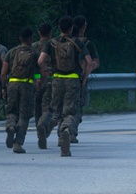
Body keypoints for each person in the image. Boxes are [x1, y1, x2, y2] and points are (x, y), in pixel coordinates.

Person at [38, 16, 91, 157]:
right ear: (71, 28)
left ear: (59, 28)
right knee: (71, 112)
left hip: (56, 80)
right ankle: (66, 131)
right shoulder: (77, 42)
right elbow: (90, 62)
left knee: (58, 110)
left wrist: (46, 69)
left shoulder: (51, 43)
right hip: (73, 81)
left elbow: (40, 60)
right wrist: (84, 78)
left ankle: (60, 135)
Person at [1, 28, 36, 154]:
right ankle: (18, 143)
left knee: (11, 111)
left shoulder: (11, 52)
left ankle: (10, 126)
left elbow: (4, 73)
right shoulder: (34, 52)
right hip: (27, 85)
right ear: (31, 38)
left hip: (12, 84)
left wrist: (3, 87)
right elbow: (39, 72)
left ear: (20, 38)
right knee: (24, 115)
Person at [71, 15, 98, 144]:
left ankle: (61, 131)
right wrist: (85, 77)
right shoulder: (87, 44)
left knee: (62, 107)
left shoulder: (60, 43)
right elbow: (94, 63)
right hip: (79, 79)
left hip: (60, 80)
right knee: (77, 107)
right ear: (84, 27)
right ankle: (72, 133)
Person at [32, 23, 54, 149]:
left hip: (38, 81)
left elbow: (34, 65)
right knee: (48, 109)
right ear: (50, 33)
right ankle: (43, 128)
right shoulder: (55, 45)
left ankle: (40, 133)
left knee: (37, 109)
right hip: (51, 79)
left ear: (39, 33)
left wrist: (37, 78)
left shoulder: (34, 46)